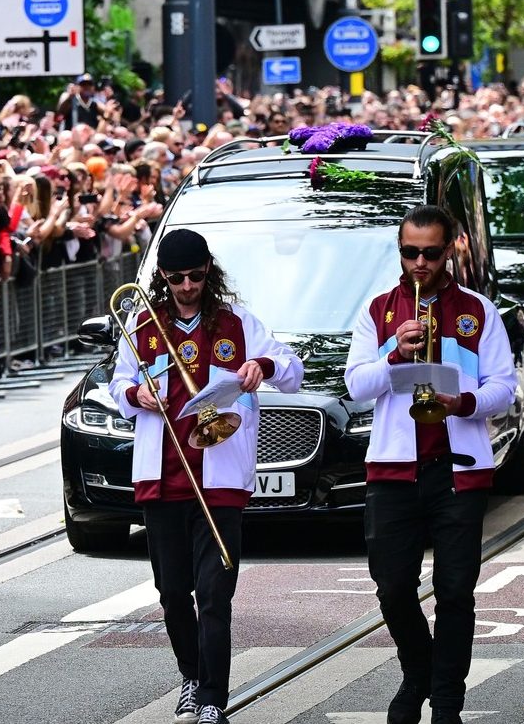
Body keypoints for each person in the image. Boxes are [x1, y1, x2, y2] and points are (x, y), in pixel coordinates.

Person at [108, 228, 301, 724]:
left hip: (220, 480)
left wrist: (261, 365)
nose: (188, 286)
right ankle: (191, 678)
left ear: (208, 272)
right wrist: (136, 397)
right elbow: (118, 381)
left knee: (215, 593)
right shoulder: (143, 322)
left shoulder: (237, 323)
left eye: (196, 276)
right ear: (164, 279)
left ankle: (215, 698)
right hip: (163, 475)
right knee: (173, 592)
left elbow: (291, 367)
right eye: (177, 279)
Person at [343, 205, 517, 724]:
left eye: (430, 253)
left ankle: (446, 700)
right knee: (393, 587)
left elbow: (504, 388)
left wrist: (463, 403)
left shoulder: (478, 311)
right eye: (409, 252)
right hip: (394, 469)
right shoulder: (377, 310)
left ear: (451, 250)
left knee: (456, 591)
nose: (419, 263)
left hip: (458, 467)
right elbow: (356, 387)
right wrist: (394, 352)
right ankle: (417, 671)